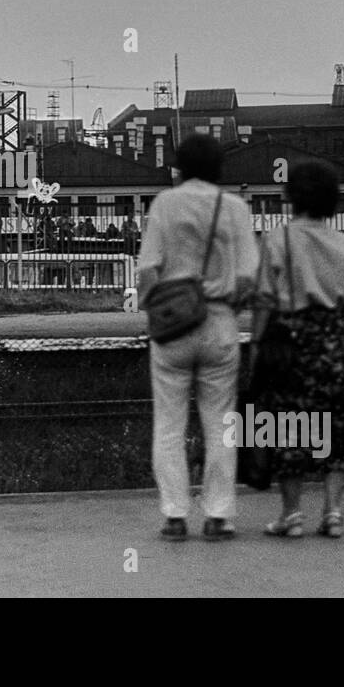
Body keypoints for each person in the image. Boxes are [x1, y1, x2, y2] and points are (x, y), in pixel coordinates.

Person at [252, 162, 344, 540]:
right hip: (333, 343)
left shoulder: (277, 239)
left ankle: (292, 515)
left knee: (289, 426)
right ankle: (332, 512)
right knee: (338, 427)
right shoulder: (343, 242)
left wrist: (256, 345)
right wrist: (337, 328)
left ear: (292, 197)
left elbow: (265, 300)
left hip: (290, 343)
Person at [137, 135, 257, 541]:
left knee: (169, 422)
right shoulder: (235, 209)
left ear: (179, 168)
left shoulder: (165, 204)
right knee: (221, 423)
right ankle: (219, 516)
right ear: (220, 168)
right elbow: (246, 279)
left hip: (173, 325)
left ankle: (174, 515)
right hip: (220, 322)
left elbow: (148, 272)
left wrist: (161, 311)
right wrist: (225, 307)